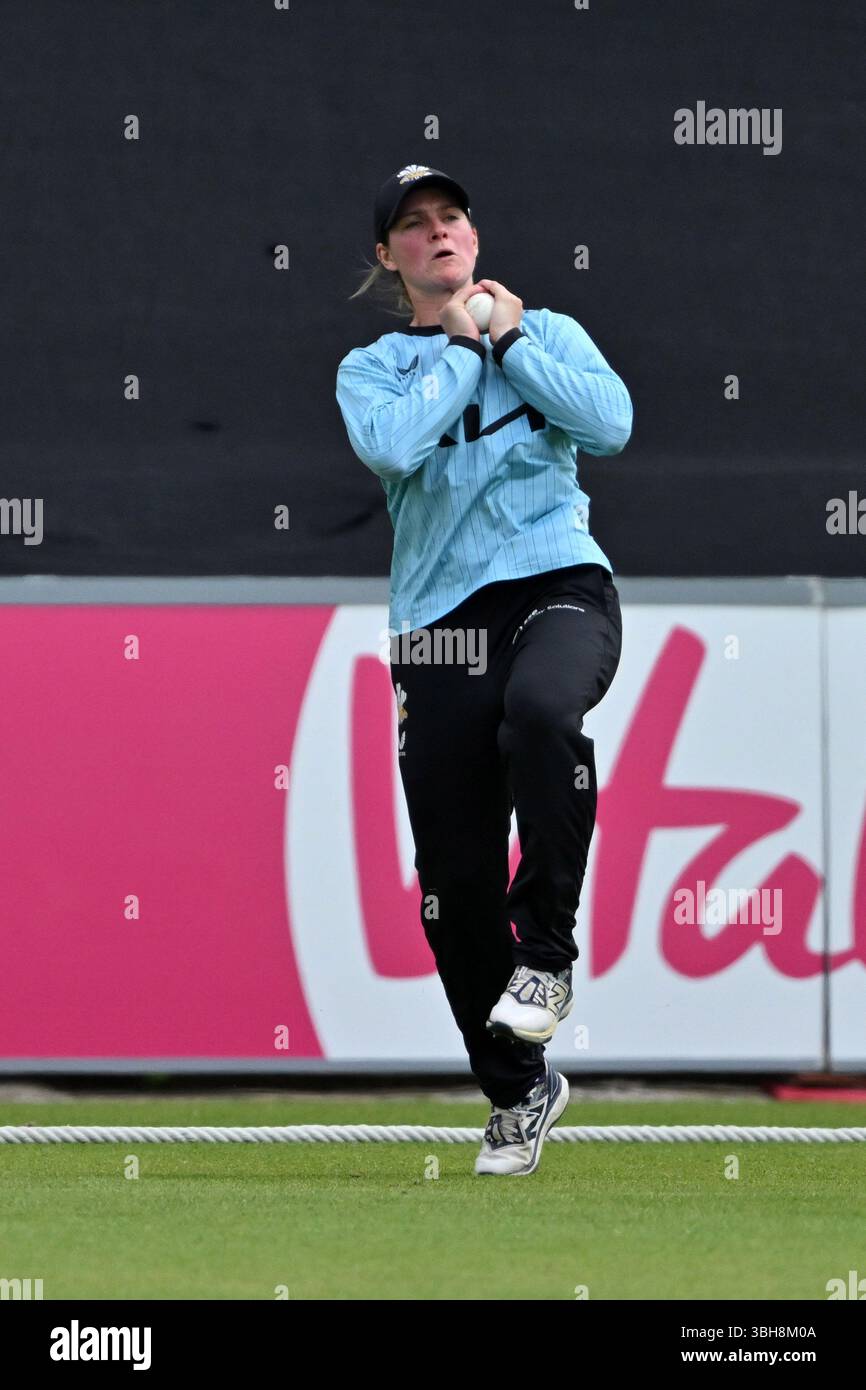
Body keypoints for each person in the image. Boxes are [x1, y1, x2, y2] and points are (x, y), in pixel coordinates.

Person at [336, 163, 632, 1176]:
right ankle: (517, 1090)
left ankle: (544, 954)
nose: (436, 234)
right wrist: (464, 349)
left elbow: (609, 421)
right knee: (452, 886)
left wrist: (505, 337)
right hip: (436, 627)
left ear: (471, 229)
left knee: (546, 711)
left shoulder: (540, 328)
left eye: (448, 217)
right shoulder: (373, 366)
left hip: (556, 583)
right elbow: (390, 443)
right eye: (412, 228)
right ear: (388, 257)